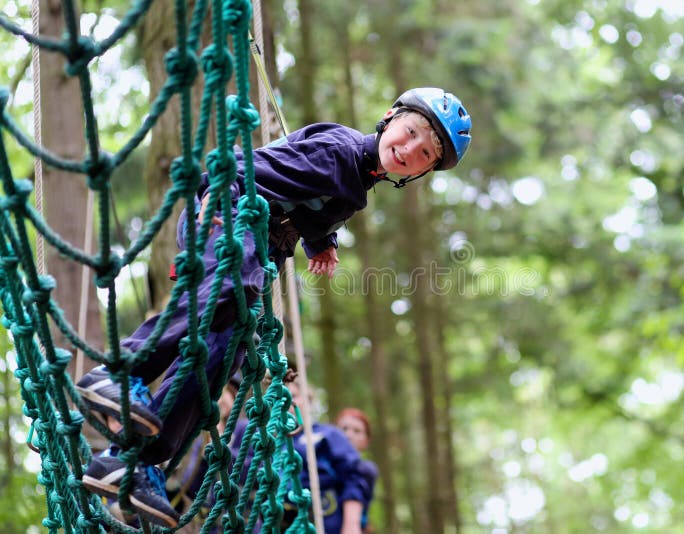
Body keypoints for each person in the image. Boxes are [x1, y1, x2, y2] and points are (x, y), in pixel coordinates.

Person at [75, 87, 472, 528]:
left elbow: (309, 203)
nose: (410, 149)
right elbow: (247, 169)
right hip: (231, 214)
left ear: (424, 171)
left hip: (255, 243)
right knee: (234, 288)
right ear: (390, 117)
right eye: (411, 131)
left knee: (222, 355)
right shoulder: (339, 154)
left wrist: (323, 241)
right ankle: (122, 370)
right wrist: (223, 210)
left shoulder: (358, 176)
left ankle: (133, 462)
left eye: (425, 154)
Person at [282, 379, 370, 534]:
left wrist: (352, 524)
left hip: (323, 522)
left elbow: (353, 477)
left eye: (294, 395)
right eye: (279, 396)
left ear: (308, 400)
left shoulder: (327, 435)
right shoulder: (268, 443)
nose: (286, 400)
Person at [335, 408, 379, 533]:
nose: (348, 435)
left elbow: (353, 492)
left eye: (357, 431)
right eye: (344, 429)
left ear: (366, 441)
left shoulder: (365, 470)